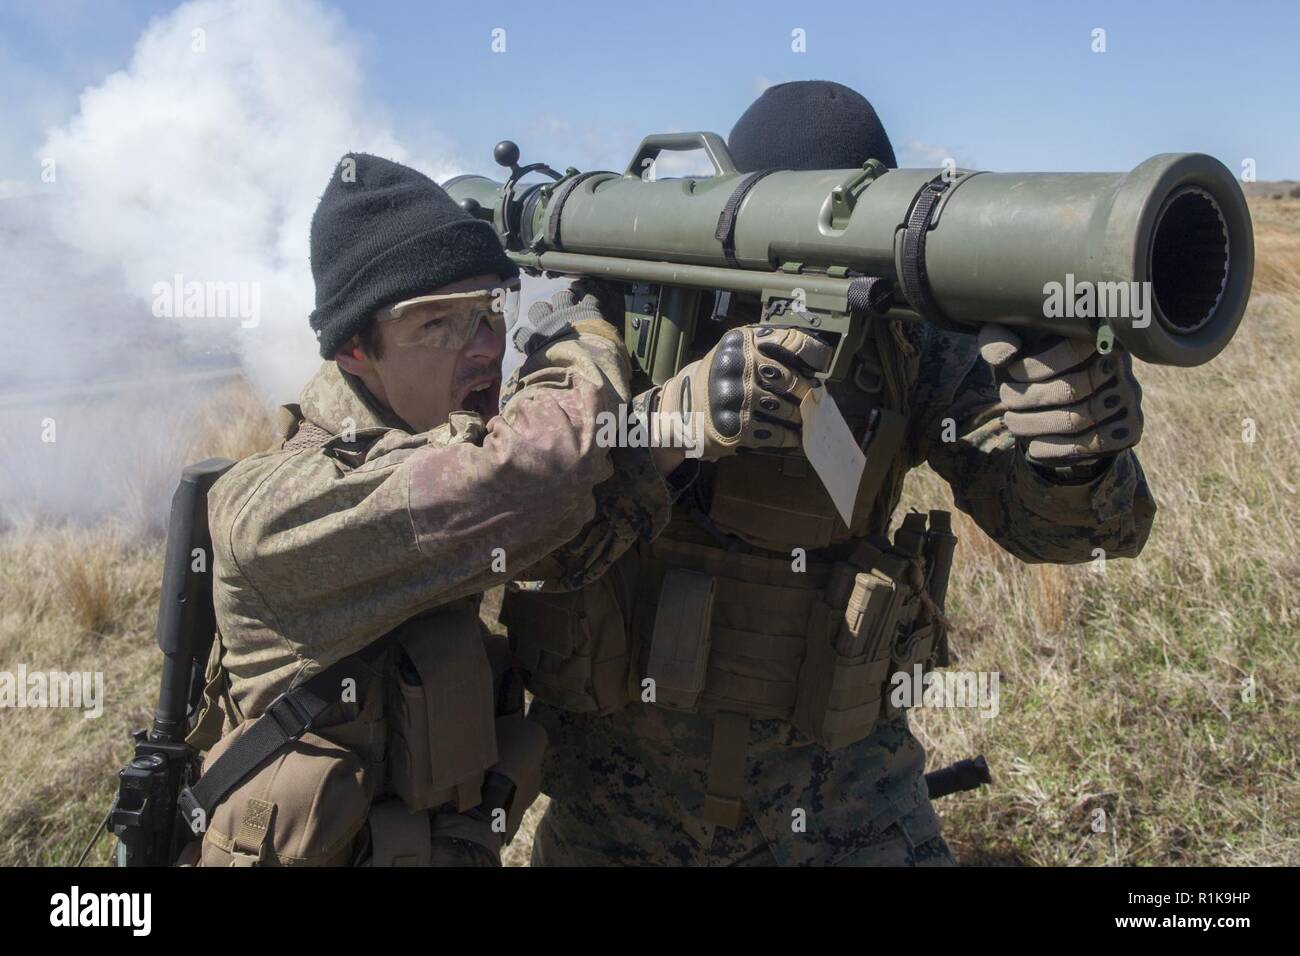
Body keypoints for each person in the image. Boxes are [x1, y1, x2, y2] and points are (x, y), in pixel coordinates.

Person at [510, 80, 1157, 866]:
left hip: (840, 794)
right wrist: (668, 422)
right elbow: (521, 536)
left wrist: (1075, 459)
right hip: (615, 798)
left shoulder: (907, 334)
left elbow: (1072, 535)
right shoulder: (615, 303)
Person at [191, 152, 827, 866]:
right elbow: (525, 480)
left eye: (492, 311)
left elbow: (550, 539)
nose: (487, 349)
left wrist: (674, 424)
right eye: (438, 325)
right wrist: (583, 340)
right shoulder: (278, 510)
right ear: (353, 351)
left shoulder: (421, 447)